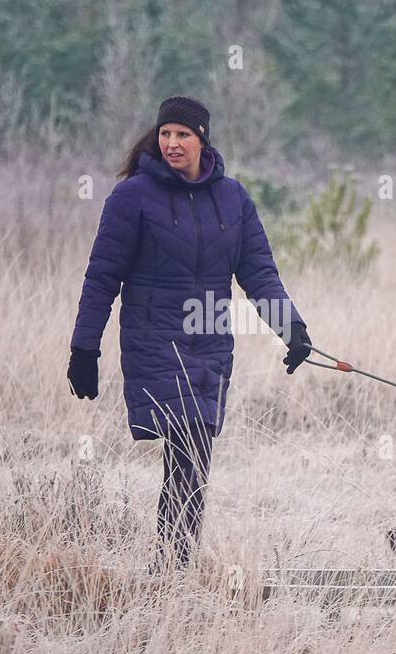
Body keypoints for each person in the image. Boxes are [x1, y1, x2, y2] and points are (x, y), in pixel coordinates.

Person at [67, 95, 312, 570]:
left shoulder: (233, 198)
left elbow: (258, 272)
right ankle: (174, 569)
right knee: (189, 449)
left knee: (194, 456)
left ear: (202, 138)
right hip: (155, 339)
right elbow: (102, 276)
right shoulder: (133, 196)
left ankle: (172, 569)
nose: (173, 143)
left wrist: (293, 329)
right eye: (166, 134)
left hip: (211, 341)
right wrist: (84, 348)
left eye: (183, 134)